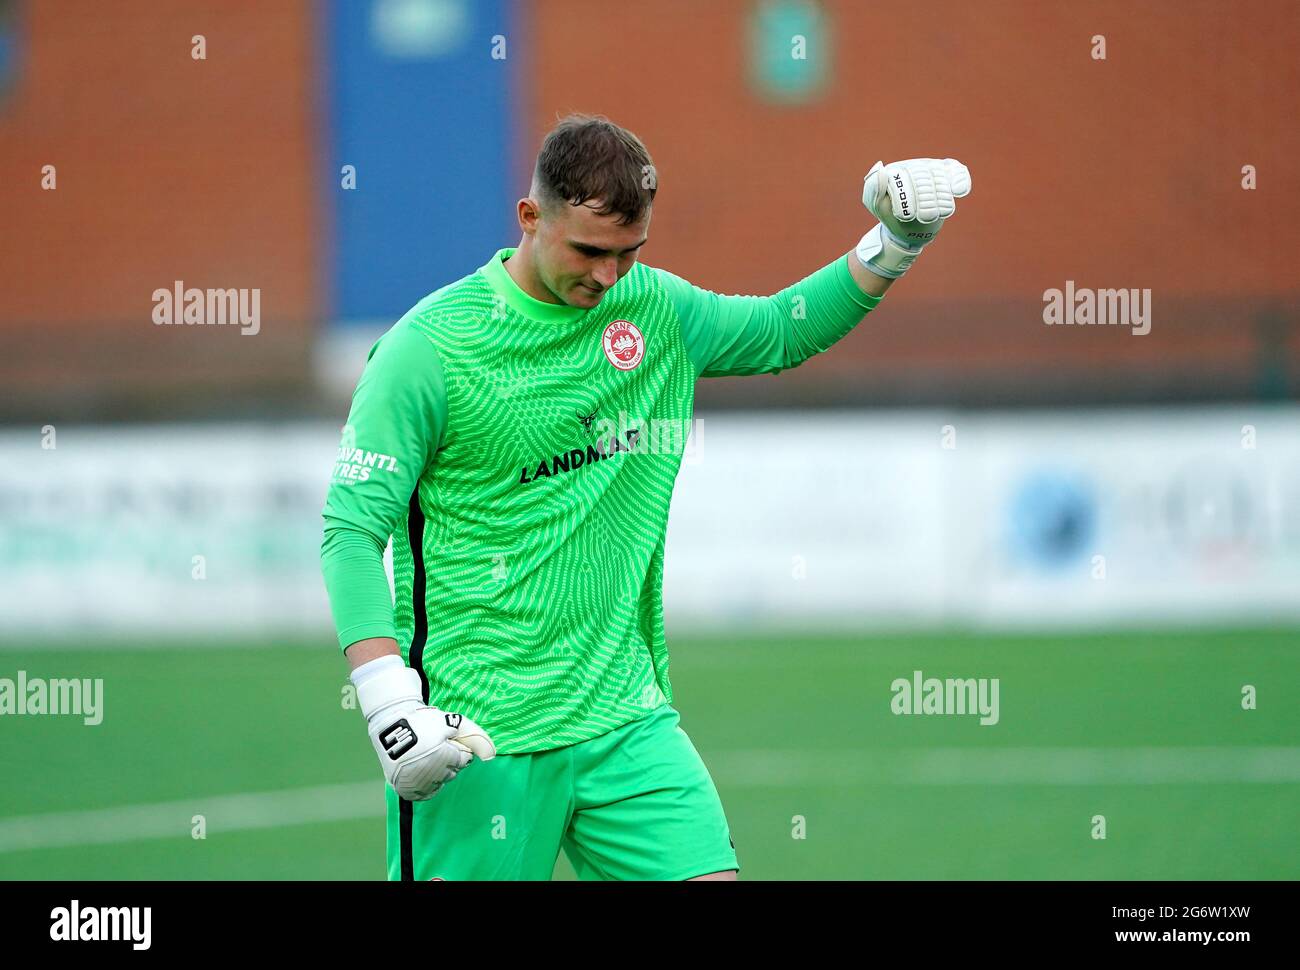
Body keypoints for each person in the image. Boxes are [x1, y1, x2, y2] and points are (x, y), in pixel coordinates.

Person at [321, 113, 971, 880]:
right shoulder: (426, 350)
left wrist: (894, 244)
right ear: (529, 218)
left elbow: (779, 330)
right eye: (590, 252)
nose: (609, 277)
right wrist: (389, 704)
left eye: (630, 254)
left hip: (625, 719)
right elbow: (351, 530)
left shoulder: (652, 310)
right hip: (475, 734)